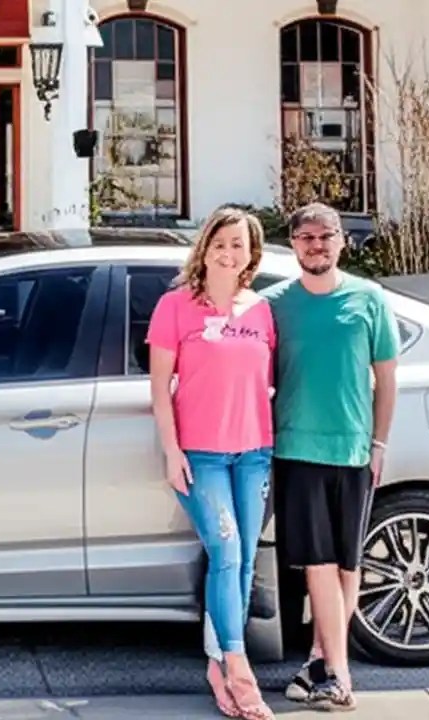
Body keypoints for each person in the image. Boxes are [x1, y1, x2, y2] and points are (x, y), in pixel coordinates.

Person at [262, 202, 400, 712]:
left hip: (355, 448)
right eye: (306, 237)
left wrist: (379, 444)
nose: (316, 245)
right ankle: (340, 676)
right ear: (292, 244)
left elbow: (385, 379)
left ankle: (322, 661)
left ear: (342, 241)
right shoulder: (274, 303)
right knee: (318, 562)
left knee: (348, 563)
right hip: (297, 447)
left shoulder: (370, 298)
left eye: (326, 236)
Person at [146, 206, 278, 720]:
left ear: (251, 254)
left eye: (239, 245)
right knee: (225, 552)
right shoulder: (175, 307)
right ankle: (241, 672)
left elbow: (268, 383)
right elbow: (159, 390)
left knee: (243, 561)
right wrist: (172, 452)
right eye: (221, 242)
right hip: (201, 455)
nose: (229, 253)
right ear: (205, 247)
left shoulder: (261, 312)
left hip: (254, 452)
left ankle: (217, 664)